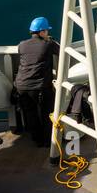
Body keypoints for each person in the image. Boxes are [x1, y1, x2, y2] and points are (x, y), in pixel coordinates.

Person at [14, 16, 60, 148]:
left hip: (22, 86)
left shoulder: (22, 45)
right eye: (46, 31)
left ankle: (37, 140)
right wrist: (51, 40)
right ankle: (47, 142)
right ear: (42, 32)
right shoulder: (48, 44)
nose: (48, 33)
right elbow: (61, 50)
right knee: (47, 113)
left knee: (30, 113)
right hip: (40, 87)